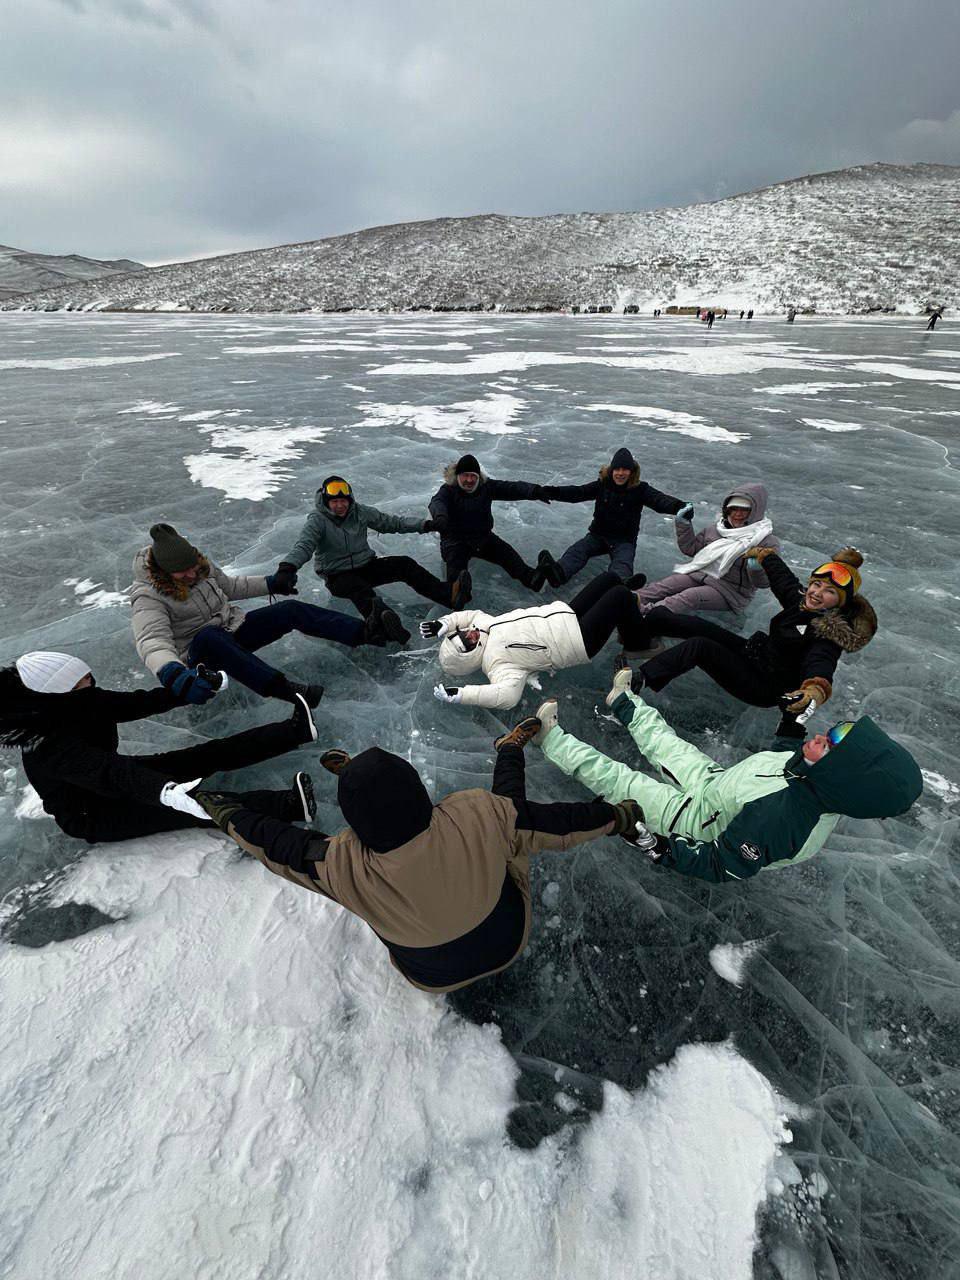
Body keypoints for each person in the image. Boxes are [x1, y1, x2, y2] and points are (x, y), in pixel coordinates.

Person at [192, 729, 644, 993]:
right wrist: (618, 817)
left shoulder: (340, 864)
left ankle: (359, 778)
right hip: (508, 938)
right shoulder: (475, 813)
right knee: (513, 825)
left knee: (505, 823)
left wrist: (226, 811)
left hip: (428, 976)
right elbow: (564, 823)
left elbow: (276, 844)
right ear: (419, 793)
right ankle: (509, 750)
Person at [531, 684, 921, 884]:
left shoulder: (783, 820)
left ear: (842, 780)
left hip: (692, 822)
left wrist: (659, 846)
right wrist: (789, 726)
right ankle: (625, 702)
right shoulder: (810, 771)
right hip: (719, 785)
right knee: (669, 744)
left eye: (833, 744)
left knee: (620, 779)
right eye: (838, 730)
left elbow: (723, 864)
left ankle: (551, 738)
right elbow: (781, 760)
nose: (823, 736)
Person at [0, 651, 320, 843]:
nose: (91, 685)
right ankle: (288, 807)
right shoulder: (46, 747)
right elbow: (110, 772)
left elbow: (134, 704)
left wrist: (188, 691)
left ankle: (294, 732)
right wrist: (163, 791)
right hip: (92, 814)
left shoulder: (80, 700)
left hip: (110, 780)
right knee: (193, 805)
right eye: (82, 683)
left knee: (204, 756)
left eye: (88, 678)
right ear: (56, 694)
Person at [625, 547, 877, 738]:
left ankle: (637, 681)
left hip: (765, 686)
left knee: (701, 646)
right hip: (756, 654)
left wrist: (814, 690)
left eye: (829, 592)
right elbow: (784, 581)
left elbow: (820, 665)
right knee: (696, 626)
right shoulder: (802, 603)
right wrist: (765, 556)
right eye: (817, 584)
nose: (817, 593)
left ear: (840, 602)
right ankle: (646, 623)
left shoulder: (827, 634)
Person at [131, 523, 389, 708]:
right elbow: (152, 641)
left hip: (230, 633)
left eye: (192, 568)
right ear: (163, 571)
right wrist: (172, 672)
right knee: (209, 636)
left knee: (290, 611)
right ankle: (288, 691)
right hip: (197, 657)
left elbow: (229, 587)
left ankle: (367, 632)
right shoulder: (148, 595)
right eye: (181, 573)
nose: (190, 575)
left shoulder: (199, 567)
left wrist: (271, 583)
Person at [273, 475, 471, 644]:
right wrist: (287, 568)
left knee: (404, 565)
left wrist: (426, 525)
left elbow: (391, 523)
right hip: (337, 575)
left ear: (350, 500)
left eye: (344, 501)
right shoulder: (317, 521)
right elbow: (304, 545)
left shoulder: (359, 512)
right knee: (361, 590)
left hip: (365, 565)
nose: (340, 505)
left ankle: (448, 595)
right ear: (326, 502)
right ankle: (385, 626)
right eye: (334, 502)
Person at [424, 571, 650, 711]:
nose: (471, 634)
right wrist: (462, 695)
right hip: (576, 641)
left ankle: (625, 610)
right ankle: (638, 643)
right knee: (619, 595)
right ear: (470, 657)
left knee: (608, 579)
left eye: (463, 634)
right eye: (468, 643)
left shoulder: (483, 626)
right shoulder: (497, 664)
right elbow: (506, 696)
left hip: (564, 614)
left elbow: (469, 616)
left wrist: (444, 623)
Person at [536, 447, 687, 586]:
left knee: (623, 562)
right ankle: (559, 573)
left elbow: (659, 500)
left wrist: (679, 506)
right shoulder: (602, 485)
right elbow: (578, 492)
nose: (621, 473)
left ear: (632, 472)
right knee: (578, 551)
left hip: (624, 540)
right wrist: (553, 492)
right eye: (617, 469)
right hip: (598, 535)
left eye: (625, 469)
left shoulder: (640, 489)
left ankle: (620, 584)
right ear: (611, 470)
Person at [636, 484, 779, 616]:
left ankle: (647, 615)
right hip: (700, 576)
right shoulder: (717, 529)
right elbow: (691, 548)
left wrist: (756, 569)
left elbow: (763, 583)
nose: (737, 514)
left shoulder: (766, 542)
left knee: (688, 597)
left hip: (729, 592)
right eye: (733, 509)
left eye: (744, 510)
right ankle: (627, 600)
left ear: (755, 511)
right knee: (663, 586)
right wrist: (683, 524)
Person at [427, 454, 552, 590]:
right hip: (455, 542)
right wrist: (440, 517)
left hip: (482, 538)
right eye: (465, 475)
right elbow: (436, 503)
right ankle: (455, 594)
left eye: (473, 475)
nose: (469, 480)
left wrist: (534, 491)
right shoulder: (448, 490)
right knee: (456, 572)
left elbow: (510, 488)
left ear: (478, 477)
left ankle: (532, 578)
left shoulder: (485, 487)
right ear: (457, 475)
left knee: (508, 555)